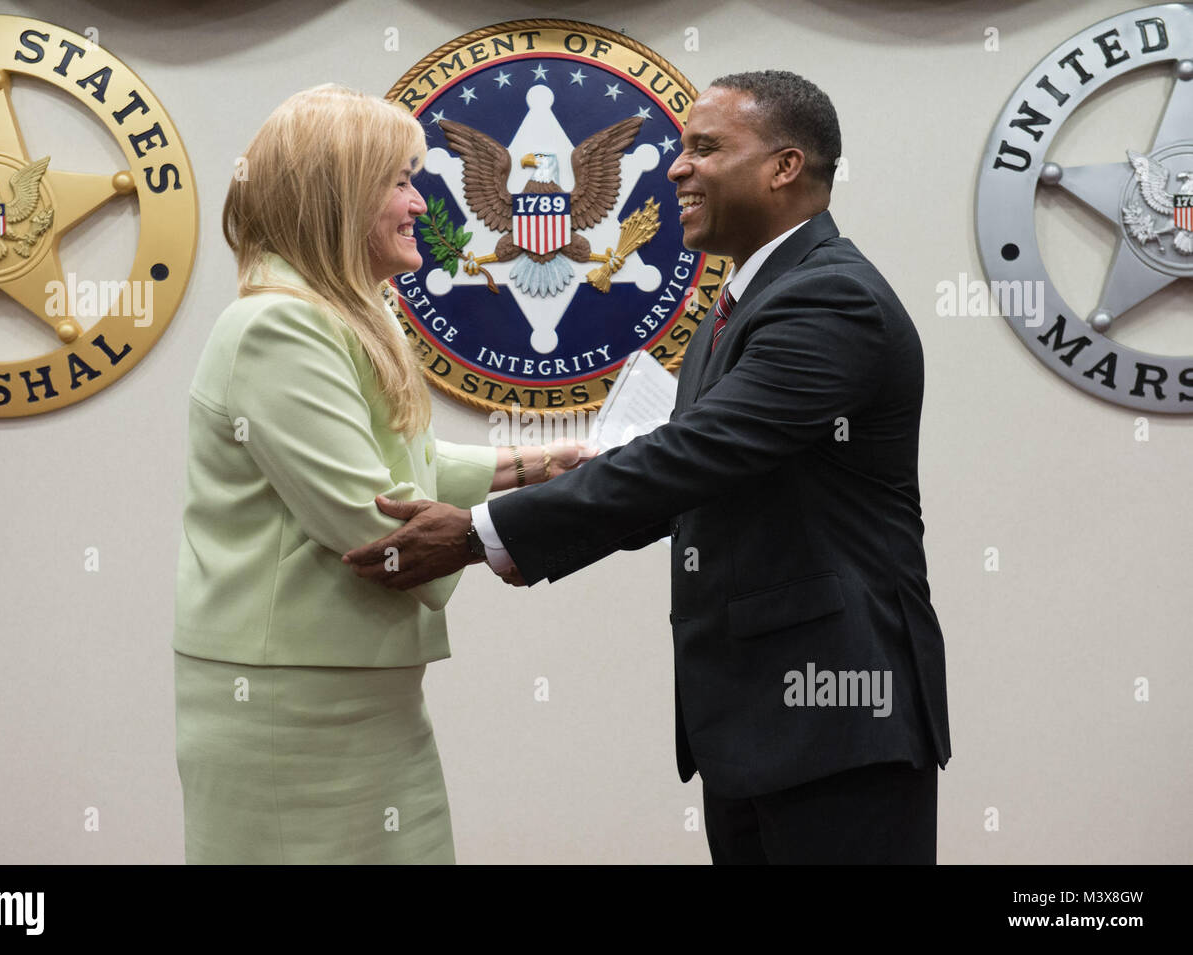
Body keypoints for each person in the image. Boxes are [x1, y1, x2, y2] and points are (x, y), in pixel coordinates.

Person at [342, 71, 953, 864]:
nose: (675, 167)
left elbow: (695, 456)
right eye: (679, 148)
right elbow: (696, 477)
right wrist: (546, 484)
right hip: (755, 722)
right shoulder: (741, 305)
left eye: (704, 147)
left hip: (836, 718)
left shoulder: (831, 301)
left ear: (785, 167)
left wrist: (481, 534)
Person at [171, 83, 587, 864]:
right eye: (398, 181)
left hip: (351, 694)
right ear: (335, 198)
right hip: (293, 708)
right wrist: (491, 534)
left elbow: (396, 461)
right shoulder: (280, 325)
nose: (416, 202)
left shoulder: (340, 312)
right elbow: (380, 530)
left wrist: (533, 463)